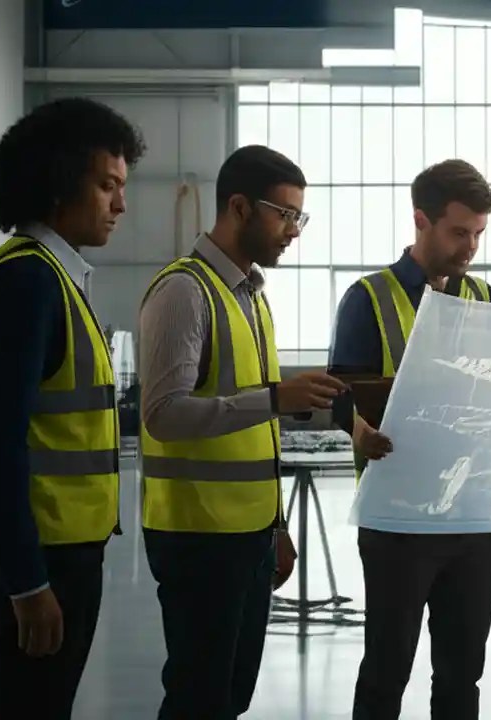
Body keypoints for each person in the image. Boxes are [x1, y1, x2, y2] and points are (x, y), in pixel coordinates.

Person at [0, 97, 145, 720]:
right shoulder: (26, 281)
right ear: (60, 181)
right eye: (107, 185)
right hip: (40, 553)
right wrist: (27, 583)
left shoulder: (54, 278)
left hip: (60, 545)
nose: (120, 204)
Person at [137, 145, 346, 719]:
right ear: (238, 207)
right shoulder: (185, 291)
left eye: (299, 217)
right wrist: (277, 398)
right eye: (285, 215)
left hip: (247, 535)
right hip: (198, 537)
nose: (293, 231)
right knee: (198, 698)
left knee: (229, 697)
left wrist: (274, 525)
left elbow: (255, 435)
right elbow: (164, 413)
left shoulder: (251, 296)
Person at [329, 159, 491, 720]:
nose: (470, 246)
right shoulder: (368, 299)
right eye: (459, 232)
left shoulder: (485, 298)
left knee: (462, 673)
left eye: (478, 233)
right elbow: (339, 396)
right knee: (387, 668)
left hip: (473, 517)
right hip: (398, 520)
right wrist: (356, 428)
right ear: (421, 220)